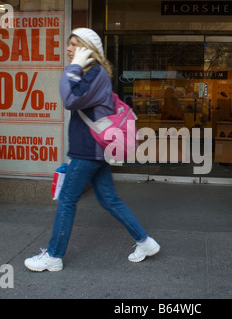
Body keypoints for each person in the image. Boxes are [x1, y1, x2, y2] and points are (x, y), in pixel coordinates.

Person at [24, 28, 160, 272]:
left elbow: (69, 100)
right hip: (96, 150)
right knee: (110, 200)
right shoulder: (94, 74)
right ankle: (146, 242)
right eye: (70, 44)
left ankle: (53, 256)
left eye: (75, 44)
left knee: (66, 200)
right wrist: (76, 67)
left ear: (89, 49)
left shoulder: (95, 73)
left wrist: (73, 67)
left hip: (88, 151)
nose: (69, 48)